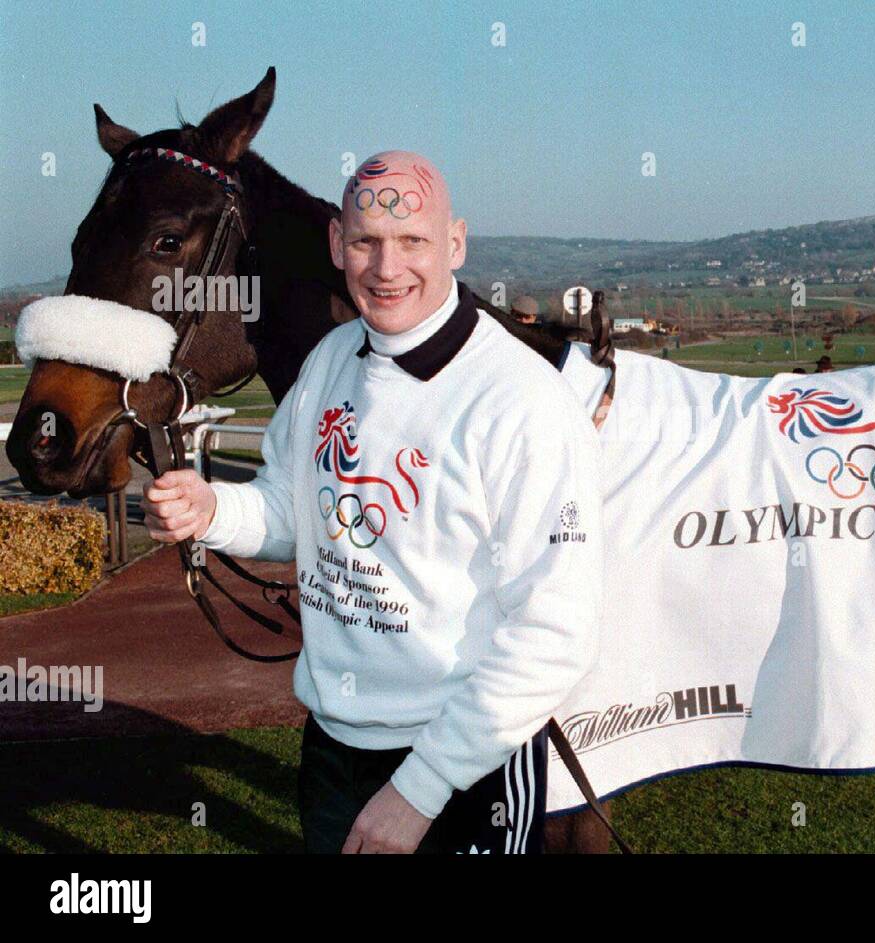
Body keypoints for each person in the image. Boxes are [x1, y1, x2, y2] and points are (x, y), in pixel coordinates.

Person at [140, 151, 603, 854]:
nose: (387, 268)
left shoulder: (522, 401)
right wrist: (211, 511)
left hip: (464, 763)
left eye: (413, 240)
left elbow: (556, 632)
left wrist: (419, 790)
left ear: (454, 243)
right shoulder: (329, 361)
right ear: (336, 245)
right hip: (332, 749)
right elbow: (289, 511)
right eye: (366, 242)